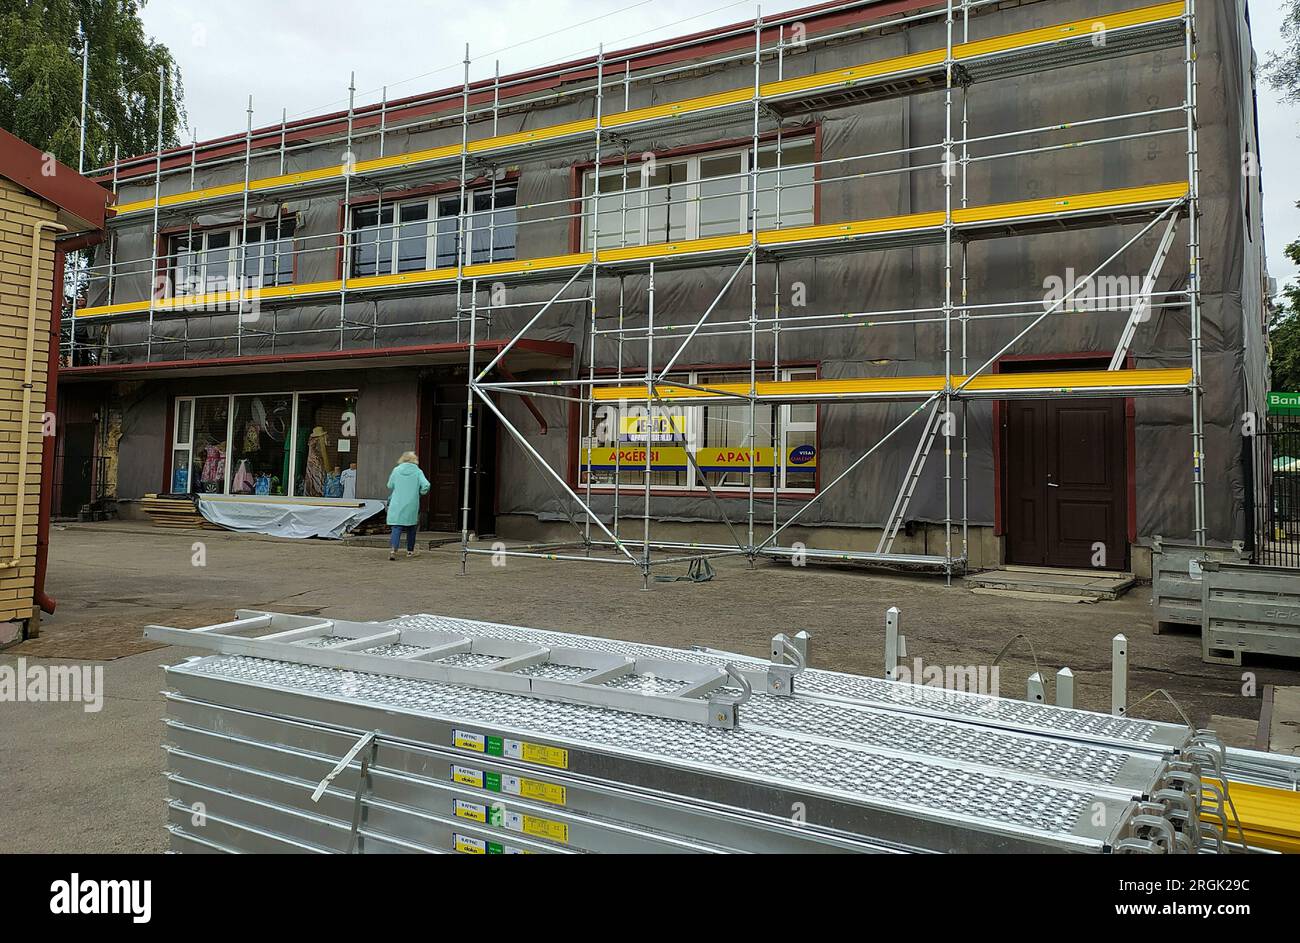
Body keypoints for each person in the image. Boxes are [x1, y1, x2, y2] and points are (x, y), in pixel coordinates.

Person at [386, 451, 430, 560]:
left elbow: (390, 485)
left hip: (397, 502)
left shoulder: (396, 470)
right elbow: (426, 485)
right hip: (412, 503)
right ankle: (410, 551)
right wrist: (420, 492)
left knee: (396, 527)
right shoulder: (418, 472)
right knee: (411, 527)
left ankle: (393, 550)